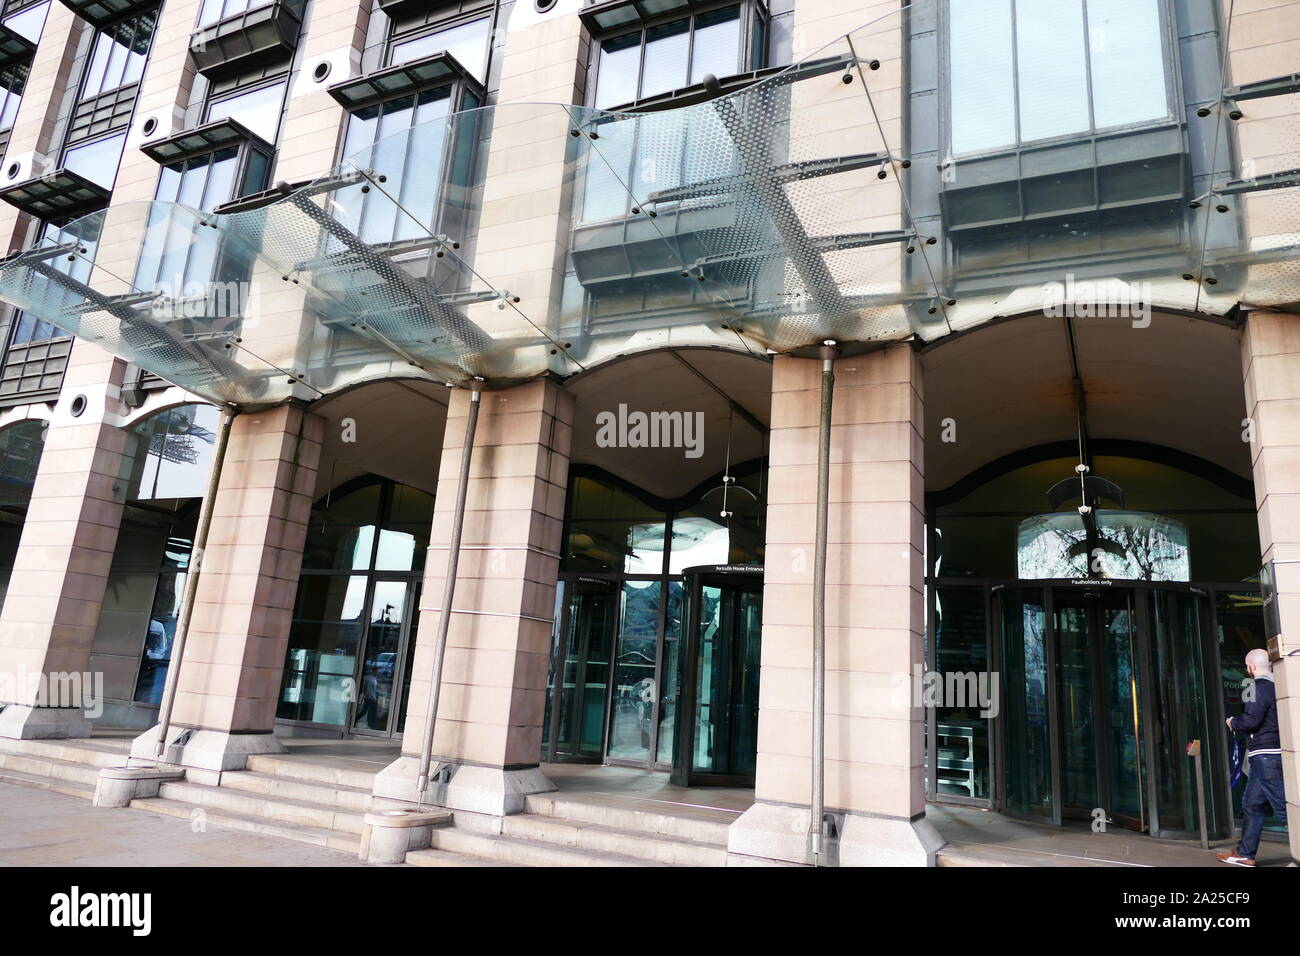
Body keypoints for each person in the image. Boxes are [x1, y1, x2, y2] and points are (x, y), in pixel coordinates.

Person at [1217, 648, 1286, 866]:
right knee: (1252, 804)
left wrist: (1232, 723)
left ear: (1251, 667)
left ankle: (1245, 853)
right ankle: (1245, 854)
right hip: (1267, 754)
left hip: (1265, 754)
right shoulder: (1279, 685)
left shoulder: (1255, 686)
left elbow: (1250, 720)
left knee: (1285, 808)